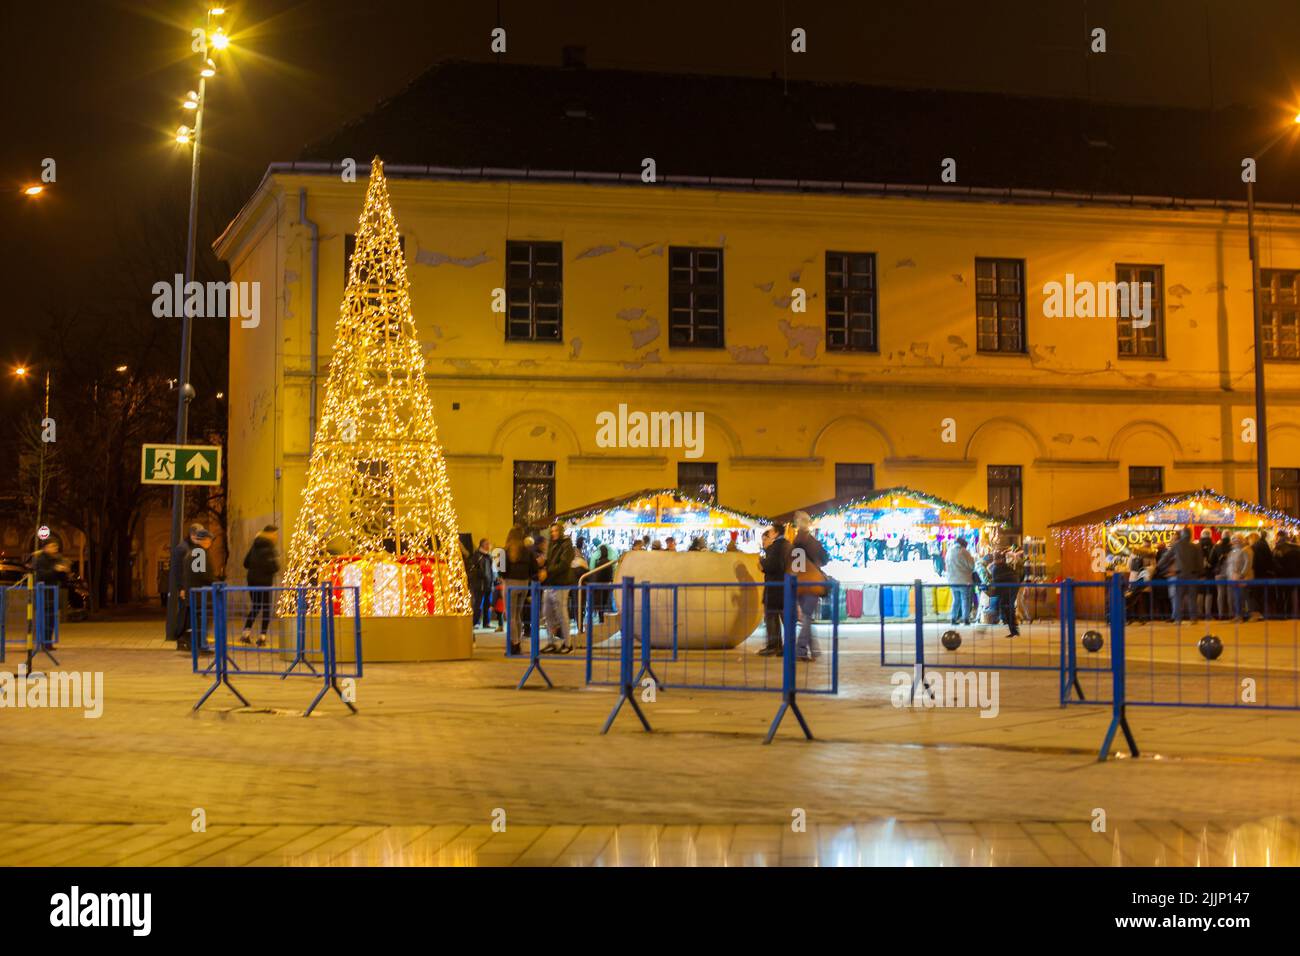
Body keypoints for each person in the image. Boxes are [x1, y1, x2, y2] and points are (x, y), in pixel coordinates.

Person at [786, 511, 828, 661]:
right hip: (812, 583)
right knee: (807, 617)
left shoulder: (796, 541)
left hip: (800, 583)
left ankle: (814, 648)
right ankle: (801, 649)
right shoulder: (812, 542)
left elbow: (795, 565)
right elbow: (825, 558)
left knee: (806, 617)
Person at [173, 524, 214, 652]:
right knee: (200, 621)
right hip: (200, 594)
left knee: (196, 620)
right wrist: (216, 582)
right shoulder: (199, 553)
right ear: (205, 540)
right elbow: (202, 574)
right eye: (209, 540)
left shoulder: (193, 552)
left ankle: (197, 644)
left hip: (195, 593)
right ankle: (199, 645)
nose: (210, 543)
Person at [240, 525, 280, 646]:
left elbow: (245, 563)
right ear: (270, 534)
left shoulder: (254, 545)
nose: (276, 536)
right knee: (266, 608)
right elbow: (275, 567)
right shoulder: (270, 547)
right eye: (275, 534)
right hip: (265, 582)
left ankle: (245, 634)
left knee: (256, 606)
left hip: (252, 581)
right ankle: (262, 637)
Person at [540, 522, 576, 653]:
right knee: (547, 612)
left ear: (560, 531)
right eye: (552, 531)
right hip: (550, 583)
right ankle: (551, 642)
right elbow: (551, 562)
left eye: (556, 531)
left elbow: (564, 564)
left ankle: (568, 644)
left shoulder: (567, 545)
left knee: (562, 614)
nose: (554, 533)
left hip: (561, 584)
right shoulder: (552, 545)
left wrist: (547, 571)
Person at [501, 527, 535, 653]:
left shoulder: (505, 551)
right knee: (517, 615)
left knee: (511, 616)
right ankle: (518, 641)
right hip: (524, 584)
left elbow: (502, 571)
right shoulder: (527, 551)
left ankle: (514, 644)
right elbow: (534, 569)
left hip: (511, 584)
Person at [759, 524, 789, 656]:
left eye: (770, 532)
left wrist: (762, 563)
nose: (769, 534)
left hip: (775, 589)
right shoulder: (788, 545)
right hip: (785, 588)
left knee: (771, 618)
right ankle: (785, 647)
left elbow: (772, 565)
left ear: (776, 533)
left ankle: (773, 646)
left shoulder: (777, 547)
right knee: (784, 619)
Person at [32, 539, 69, 645]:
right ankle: (41, 642)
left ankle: (48, 642)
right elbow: (41, 576)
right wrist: (55, 570)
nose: (55, 549)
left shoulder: (56, 559)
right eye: (53, 546)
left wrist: (63, 572)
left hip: (53, 594)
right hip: (43, 594)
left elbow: (61, 578)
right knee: (44, 618)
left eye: (56, 547)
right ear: (46, 547)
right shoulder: (40, 559)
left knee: (52, 618)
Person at [1171, 526, 1204, 624]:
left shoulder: (1177, 545)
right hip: (1192, 575)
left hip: (1180, 575)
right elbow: (1200, 562)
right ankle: (1193, 618)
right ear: (1190, 535)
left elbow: (1166, 557)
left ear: (1182, 534)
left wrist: (1161, 567)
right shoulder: (1195, 546)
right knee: (1192, 598)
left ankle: (1178, 619)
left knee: (1178, 598)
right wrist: (1201, 574)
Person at [986, 550, 1022, 638]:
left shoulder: (996, 568)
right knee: (1009, 608)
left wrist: (993, 594)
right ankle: (1014, 630)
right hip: (1013, 587)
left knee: (1007, 608)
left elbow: (996, 583)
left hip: (1007, 589)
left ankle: (1014, 630)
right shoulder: (1004, 566)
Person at [944, 537, 976, 626]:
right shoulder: (964, 552)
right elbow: (972, 566)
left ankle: (953, 618)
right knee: (965, 600)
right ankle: (965, 619)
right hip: (964, 580)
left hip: (952, 580)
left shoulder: (949, 551)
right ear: (964, 544)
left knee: (956, 600)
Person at [468, 538, 495, 630]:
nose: (489, 546)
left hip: (488, 584)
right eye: (487, 544)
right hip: (480, 584)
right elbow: (472, 569)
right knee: (478, 604)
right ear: (482, 545)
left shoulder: (489, 556)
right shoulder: (477, 555)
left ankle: (486, 623)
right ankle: (476, 622)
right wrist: (481, 574)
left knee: (488, 604)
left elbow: (491, 569)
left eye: (489, 544)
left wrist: (493, 579)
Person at [1226, 534, 1253, 621]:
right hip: (1233, 578)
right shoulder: (1232, 551)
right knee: (1236, 597)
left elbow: (1247, 564)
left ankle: (1242, 615)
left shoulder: (1245, 550)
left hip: (1241, 578)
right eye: (1233, 539)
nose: (1235, 541)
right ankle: (1238, 615)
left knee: (1241, 597)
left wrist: (1241, 575)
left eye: (1237, 539)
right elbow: (1229, 565)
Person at [1250, 531, 1276, 619]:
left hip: (1259, 574)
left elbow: (1257, 561)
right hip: (1266, 573)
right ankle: (1266, 613)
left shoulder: (1255, 546)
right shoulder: (1264, 544)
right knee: (1264, 594)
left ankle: (1259, 613)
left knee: (1257, 594)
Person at [1211, 531, 1234, 620]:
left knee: (1220, 594)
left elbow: (1211, 560)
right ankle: (1231, 614)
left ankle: (1221, 614)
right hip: (1230, 572)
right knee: (1229, 594)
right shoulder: (1232, 547)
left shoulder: (1216, 546)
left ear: (1222, 536)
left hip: (1219, 573)